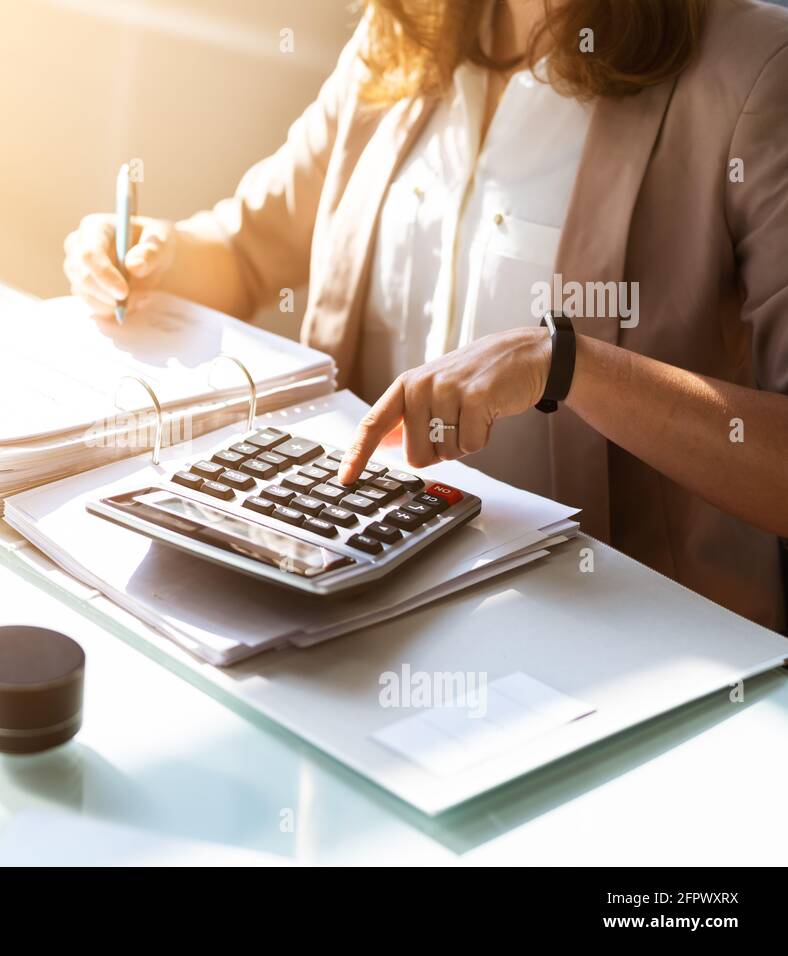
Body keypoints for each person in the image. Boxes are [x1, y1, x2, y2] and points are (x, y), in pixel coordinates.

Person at [62, 0, 788, 632]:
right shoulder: (405, 35)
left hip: (612, 641)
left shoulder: (755, 69)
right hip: (355, 588)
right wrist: (148, 254)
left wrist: (566, 363)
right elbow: (250, 250)